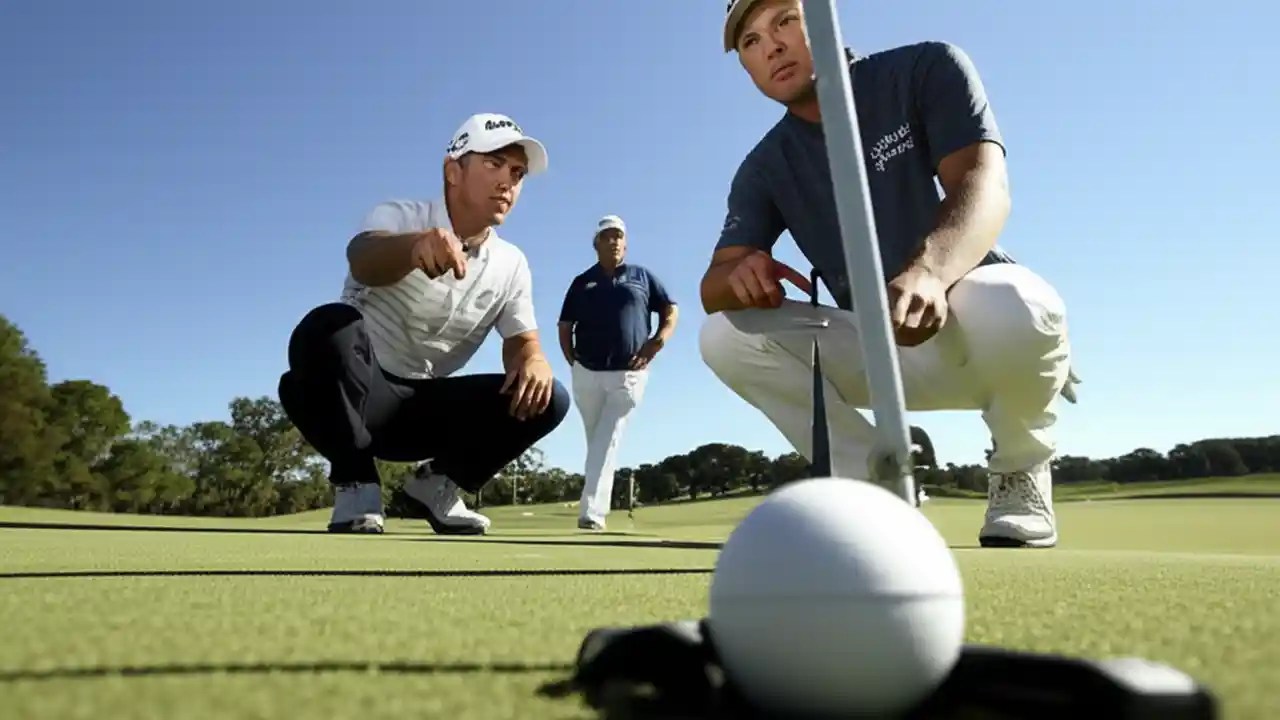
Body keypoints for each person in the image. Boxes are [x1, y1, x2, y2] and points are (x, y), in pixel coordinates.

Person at [700, 0, 1081, 548]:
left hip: (972, 326)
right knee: (723, 335)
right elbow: (714, 282)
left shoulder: (925, 67)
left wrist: (929, 271)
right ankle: (877, 485)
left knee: (1019, 303)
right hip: (878, 352)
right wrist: (738, 274)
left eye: (785, 20)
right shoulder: (764, 165)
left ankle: (1020, 469)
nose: (772, 47)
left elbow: (985, 185)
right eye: (751, 42)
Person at [277, 112, 570, 536]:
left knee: (550, 397)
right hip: (358, 398)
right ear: (453, 171)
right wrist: (415, 246)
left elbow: (522, 340)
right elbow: (363, 258)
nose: (508, 181)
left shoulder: (513, 264)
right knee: (324, 327)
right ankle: (356, 481)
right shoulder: (399, 215)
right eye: (493, 164)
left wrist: (535, 359)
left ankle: (436, 485)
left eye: (517, 172)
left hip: (427, 411)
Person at [558, 215, 678, 530]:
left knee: (607, 436)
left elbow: (670, 309)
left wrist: (658, 342)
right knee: (597, 441)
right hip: (588, 372)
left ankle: (592, 513)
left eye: (618, 236)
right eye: (607, 236)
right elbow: (565, 324)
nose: (613, 241)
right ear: (596, 244)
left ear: (625, 242)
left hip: (630, 373)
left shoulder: (642, 276)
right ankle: (596, 505)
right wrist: (573, 360)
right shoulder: (582, 281)